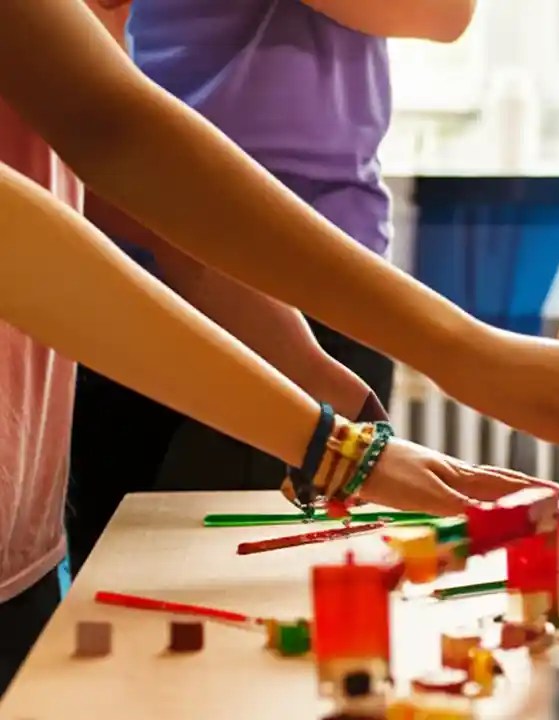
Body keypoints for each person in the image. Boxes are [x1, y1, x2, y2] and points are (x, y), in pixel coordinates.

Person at [0, 111, 551, 694]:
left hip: (23, 530)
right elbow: (36, 245)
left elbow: (150, 190)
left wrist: (316, 376)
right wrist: (341, 445)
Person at [65, 0, 476, 574]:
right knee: (141, 581)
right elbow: (98, 138)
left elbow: (444, 12)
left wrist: (313, 367)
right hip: (139, 281)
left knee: (314, 586)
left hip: (323, 276)